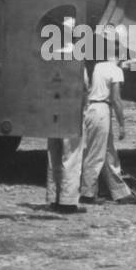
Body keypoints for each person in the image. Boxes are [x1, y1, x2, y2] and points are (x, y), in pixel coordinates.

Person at [79, 40, 136, 205]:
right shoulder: (116, 71)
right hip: (102, 111)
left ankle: (120, 192)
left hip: (93, 109)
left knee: (109, 153)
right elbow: (116, 99)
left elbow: (121, 65)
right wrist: (122, 124)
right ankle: (87, 193)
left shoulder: (100, 66)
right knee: (96, 154)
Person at [46, 66, 88, 215]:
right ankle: (68, 202)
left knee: (54, 158)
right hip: (72, 113)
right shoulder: (77, 64)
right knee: (71, 158)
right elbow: (84, 89)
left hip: (53, 113)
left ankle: (53, 199)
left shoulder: (51, 61)